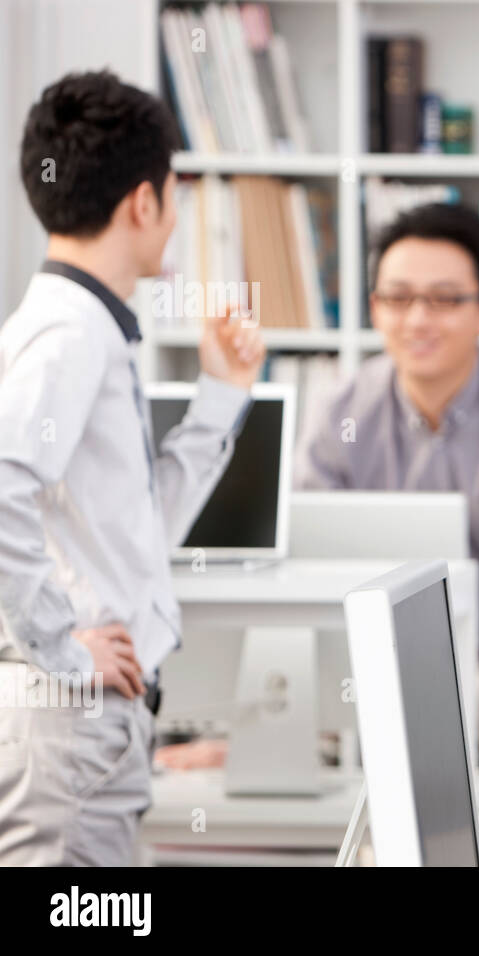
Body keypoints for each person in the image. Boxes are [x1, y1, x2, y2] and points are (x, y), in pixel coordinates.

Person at [0, 70, 265, 865]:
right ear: (145, 203)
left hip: (96, 729)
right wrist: (61, 649)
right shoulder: (71, 334)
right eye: (176, 196)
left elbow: (137, 535)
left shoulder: (86, 327)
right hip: (71, 720)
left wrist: (222, 393)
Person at [294, 202, 479, 772]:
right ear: (374, 308)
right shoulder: (338, 415)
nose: (417, 320)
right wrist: (279, 728)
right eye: (398, 298)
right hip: (391, 677)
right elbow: (306, 576)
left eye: (444, 299)